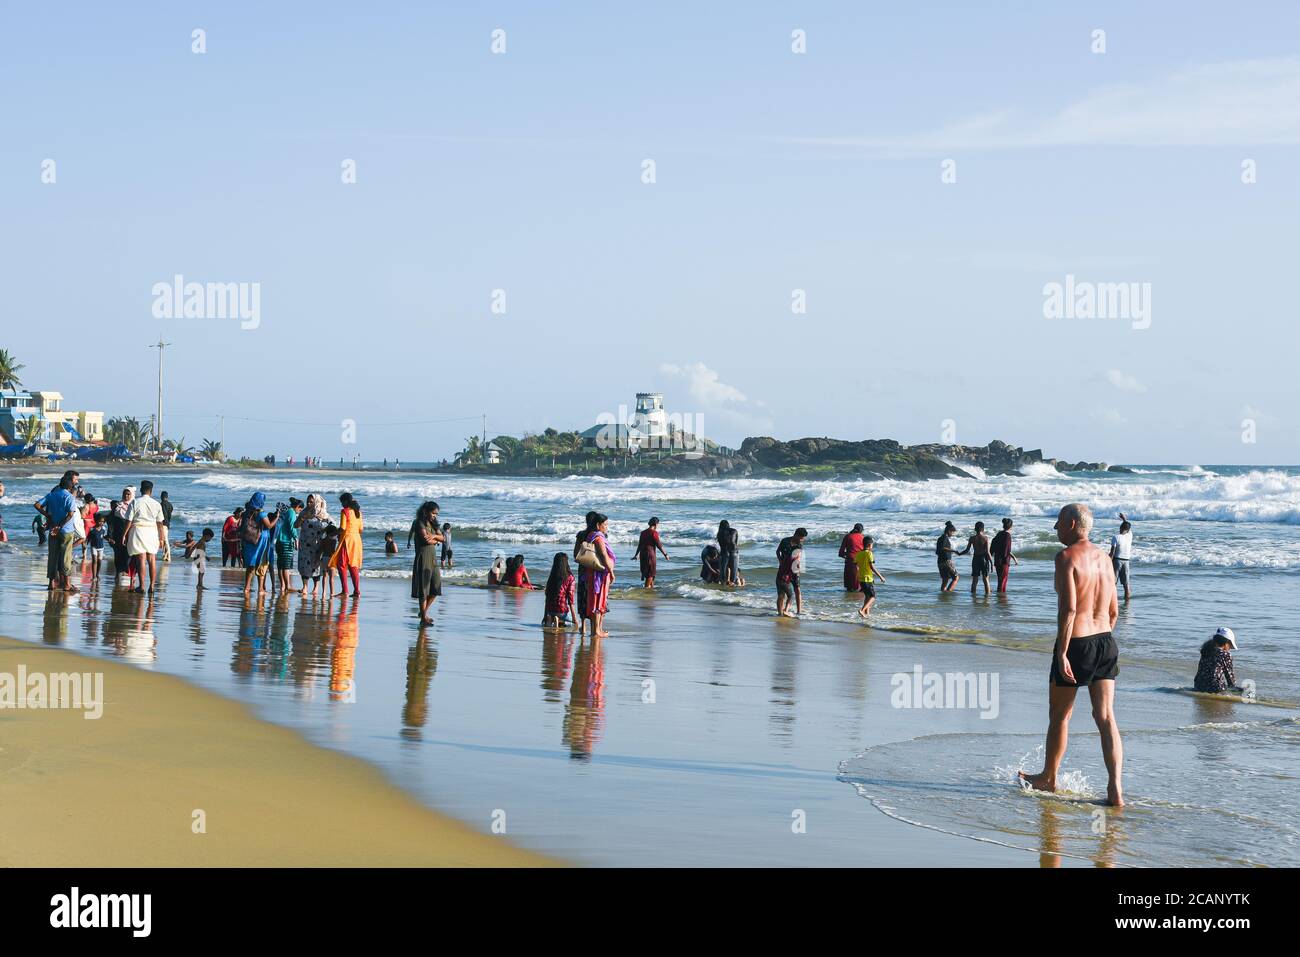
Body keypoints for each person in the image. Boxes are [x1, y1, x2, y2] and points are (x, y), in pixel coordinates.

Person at [1019, 503, 1123, 807]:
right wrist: (1100, 635)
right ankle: (1115, 788)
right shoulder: (1105, 559)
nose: (1055, 529)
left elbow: (1069, 609)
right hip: (1105, 641)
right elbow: (1114, 611)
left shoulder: (1065, 557)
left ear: (1074, 523)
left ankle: (1048, 778)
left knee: (1060, 715)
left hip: (1076, 644)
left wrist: (1063, 652)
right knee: (1105, 718)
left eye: (1059, 523)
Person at [33, 470, 80, 593]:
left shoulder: (51, 494)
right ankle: (67, 584)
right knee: (65, 557)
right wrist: (60, 525)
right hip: (66, 530)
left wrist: (48, 515)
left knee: (53, 556)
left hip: (53, 529)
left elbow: (37, 505)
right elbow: (70, 514)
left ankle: (51, 583)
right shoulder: (69, 496)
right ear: (69, 485)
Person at [124, 479, 166, 594]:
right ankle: (152, 586)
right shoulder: (156, 504)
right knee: (152, 559)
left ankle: (142, 586)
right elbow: (160, 523)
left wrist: (124, 534)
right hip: (152, 531)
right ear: (151, 492)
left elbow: (129, 520)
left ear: (141, 490)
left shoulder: (135, 502)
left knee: (141, 559)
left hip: (138, 530)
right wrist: (161, 538)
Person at [581, 513, 616, 638]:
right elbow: (604, 555)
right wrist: (611, 572)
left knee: (594, 599)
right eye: (605, 524)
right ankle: (596, 631)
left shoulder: (590, 535)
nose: (607, 527)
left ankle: (595, 630)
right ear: (598, 525)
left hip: (592, 572)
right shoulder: (598, 538)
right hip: (599, 574)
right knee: (598, 600)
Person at [239, 492, 280, 597]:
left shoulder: (246, 512)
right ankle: (261, 588)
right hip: (260, 540)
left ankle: (246, 587)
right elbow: (269, 526)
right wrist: (277, 517)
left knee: (251, 565)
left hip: (249, 540)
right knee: (261, 564)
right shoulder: (261, 513)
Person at [410, 501, 443, 624]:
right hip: (423, 558)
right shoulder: (419, 523)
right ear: (426, 511)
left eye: (436, 514)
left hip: (433, 559)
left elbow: (443, 538)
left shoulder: (433, 524)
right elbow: (426, 540)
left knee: (436, 588)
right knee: (424, 589)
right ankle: (424, 617)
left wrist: (434, 537)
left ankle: (423, 612)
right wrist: (436, 539)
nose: (435, 516)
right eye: (433, 513)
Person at [294, 494, 331, 596]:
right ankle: (304, 587)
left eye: (311, 502)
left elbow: (332, 528)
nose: (309, 504)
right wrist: (302, 518)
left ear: (317, 502)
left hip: (317, 544)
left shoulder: (324, 515)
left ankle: (316, 588)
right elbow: (295, 525)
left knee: (316, 565)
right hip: (305, 543)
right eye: (308, 502)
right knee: (304, 564)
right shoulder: (304, 512)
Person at [330, 492, 364, 596]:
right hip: (357, 540)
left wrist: (332, 533)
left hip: (347, 540)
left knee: (341, 565)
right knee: (353, 565)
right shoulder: (358, 512)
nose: (341, 504)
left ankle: (345, 591)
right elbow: (361, 529)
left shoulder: (345, 511)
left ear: (346, 501)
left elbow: (342, 528)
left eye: (342, 502)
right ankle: (357, 591)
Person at [573, 512, 598, 635]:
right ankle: (595, 626)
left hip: (583, 569)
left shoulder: (581, 535)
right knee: (594, 596)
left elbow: (575, 555)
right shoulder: (599, 535)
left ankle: (583, 626)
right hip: (595, 570)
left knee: (583, 595)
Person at [1194, 627, 1241, 694]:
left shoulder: (1206, 650)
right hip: (1214, 688)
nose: (1230, 648)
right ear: (1226, 643)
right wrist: (1236, 691)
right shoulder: (1225, 654)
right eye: (1230, 646)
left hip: (1198, 686)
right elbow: (1230, 677)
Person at [775, 527, 807, 617]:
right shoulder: (785, 541)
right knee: (783, 592)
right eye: (801, 538)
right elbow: (778, 551)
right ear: (796, 535)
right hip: (784, 568)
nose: (802, 540)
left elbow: (798, 558)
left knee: (797, 589)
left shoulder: (799, 545)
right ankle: (783, 611)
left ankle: (799, 611)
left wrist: (799, 568)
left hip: (794, 570)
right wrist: (780, 561)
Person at [632, 517, 670, 589]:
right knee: (650, 573)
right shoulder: (654, 533)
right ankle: (646, 590)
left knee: (648, 573)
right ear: (656, 524)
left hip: (643, 554)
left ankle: (651, 589)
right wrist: (665, 554)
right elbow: (659, 545)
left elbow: (640, 544)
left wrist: (636, 555)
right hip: (650, 555)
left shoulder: (643, 533)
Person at [275, 498, 303, 593]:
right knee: (286, 565)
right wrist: (296, 538)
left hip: (279, 540)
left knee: (280, 565)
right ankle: (288, 586)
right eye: (300, 510)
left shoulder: (286, 511)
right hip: (286, 541)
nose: (299, 512)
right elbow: (292, 527)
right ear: (298, 507)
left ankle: (283, 586)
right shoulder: (291, 512)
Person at [542, 553, 577, 629]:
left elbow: (547, 596)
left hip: (549, 610)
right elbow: (570, 600)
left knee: (549, 618)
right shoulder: (570, 578)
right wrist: (575, 619)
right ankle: (560, 621)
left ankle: (550, 619)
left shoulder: (552, 576)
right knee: (572, 624)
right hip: (561, 610)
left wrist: (545, 615)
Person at [959, 521, 994, 596]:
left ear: (975, 529)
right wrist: (991, 563)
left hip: (975, 559)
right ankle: (987, 598)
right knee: (986, 579)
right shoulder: (985, 538)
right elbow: (988, 552)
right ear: (983, 529)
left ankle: (973, 597)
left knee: (975, 580)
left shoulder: (972, 538)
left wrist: (960, 553)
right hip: (984, 559)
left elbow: (967, 550)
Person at [855, 536, 886, 617]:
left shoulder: (858, 554)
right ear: (869, 545)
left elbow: (856, 566)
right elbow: (872, 567)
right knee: (873, 597)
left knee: (867, 596)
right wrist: (880, 577)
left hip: (861, 579)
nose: (872, 547)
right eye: (872, 545)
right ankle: (862, 610)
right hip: (867, 578)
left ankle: (867, 613)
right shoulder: (869, 553)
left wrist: (857, 576)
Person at [1109, 513, 1133, 601]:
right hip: (1126, 561)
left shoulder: (1116, 537)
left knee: (1113, 583)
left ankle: (1112, 601)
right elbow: (1128, 526)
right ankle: (1127, 602)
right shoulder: (1130, 536)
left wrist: (1108, 562)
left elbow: (1112, 552)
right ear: (1127, 530)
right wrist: (1124, 519)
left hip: (1117, 560)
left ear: (1120, 528)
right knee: (1126, 584)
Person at [991, 518, 1017, 593]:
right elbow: (1006, 550)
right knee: (1003, 581)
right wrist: (1011, 558)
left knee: (1000, 580)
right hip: (1003, 561)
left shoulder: (999, 534)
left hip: (997, 560)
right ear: (1011, 526)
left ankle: (1000, 597)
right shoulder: (1008, 536)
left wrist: (1013, 557)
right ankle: (1001, 598)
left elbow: (993, 545)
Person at [839, 523, 866, 591]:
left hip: (850, 560)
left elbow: (841, 553)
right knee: (859, 584)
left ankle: (849, 597)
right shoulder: (863, 537)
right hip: (861, 560)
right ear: (861, 530)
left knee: (849, 584)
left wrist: (847, 555)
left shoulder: (848, 536)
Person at [935, 521, 959, 592]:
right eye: (952, 532)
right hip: (946, 561)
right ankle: (948, 592)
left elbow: (937, 551)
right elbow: (943, 548)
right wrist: (953, 551)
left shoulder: (940, 538)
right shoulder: (944, 538)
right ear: (949, 531)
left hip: (940, 562)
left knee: (945, 580)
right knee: (956, 578)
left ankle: (944, 595)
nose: (952, 534)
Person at [716, 520, 741, 586]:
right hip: (734, 552)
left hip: (725, 552)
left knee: (723, 575)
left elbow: (721, 545)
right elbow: (735, 542)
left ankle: (724, 588)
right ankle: (733, 588)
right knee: (734, 574)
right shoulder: (734, 531)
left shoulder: (720, 533)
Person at [86, 513, 107, 578]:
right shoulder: (92, 530)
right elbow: (88, 538)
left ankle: (97, 574)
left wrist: (109, 539)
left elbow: (105, 536)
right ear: (96, 521)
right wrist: (86, 544)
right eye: (100, 521)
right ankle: (94, 576)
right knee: (94, 561)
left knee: (99, 562)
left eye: (103, 522)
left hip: (101, 547)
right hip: (94, 547)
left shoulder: (103, 529)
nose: (101, 523)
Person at [159, 491, 174, 561]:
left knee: (165, 540)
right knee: (165, 540)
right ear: (167, 497)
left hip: (162, 524)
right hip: (167, 523)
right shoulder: (170, 505)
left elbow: (161, 515)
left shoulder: (161, 504)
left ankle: (169, 556)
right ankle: (165, 555)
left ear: (161, 497)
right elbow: (169, 515)